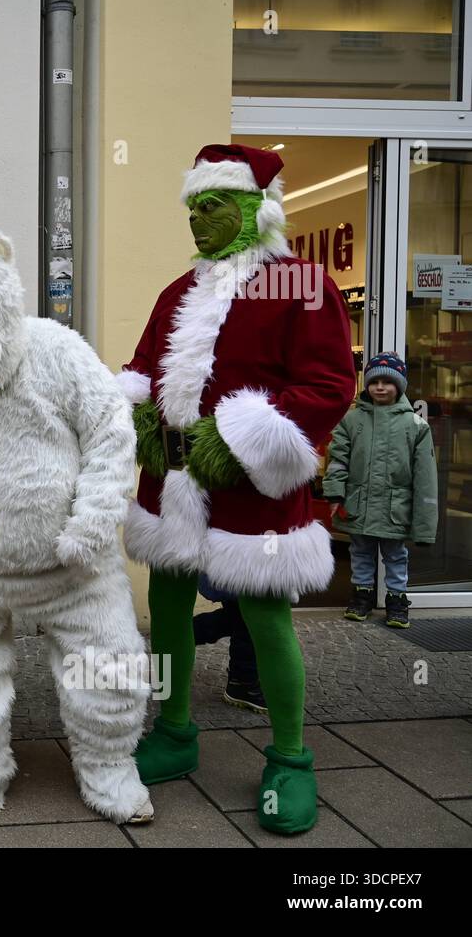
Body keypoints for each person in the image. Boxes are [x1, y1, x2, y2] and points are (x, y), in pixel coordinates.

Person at [119, 143, 357, 835]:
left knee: (265, 614)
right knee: (166, 608)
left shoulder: (303, 285)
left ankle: (291, 757)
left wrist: (240, 439)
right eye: (193, 208)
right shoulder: (178, 292)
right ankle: (174, 729)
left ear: (256, 210)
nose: (197, 220)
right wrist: (134, 416)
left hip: (253, 485)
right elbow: (143, 368)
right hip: (171, 482)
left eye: (213, 206)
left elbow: (328, 385)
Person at [324, 352, 438, 629]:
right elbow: (337, 460)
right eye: (374, 382)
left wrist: (424, 524)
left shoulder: (415, 425)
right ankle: (361, 595)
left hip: (395, 508)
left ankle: (397, 600)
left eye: (387, 382)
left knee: (396, 555)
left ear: (399, 385)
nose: (380, 387)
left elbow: (425, 477)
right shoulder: (351, 420)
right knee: (360, 552)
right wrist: (335, 494)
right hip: (359, 504)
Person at [192, 574, 266, 713]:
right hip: (237, 570)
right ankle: (243, 680)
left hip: (242, 571)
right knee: (247, 615)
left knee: (240, 616)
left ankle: (242, 680)